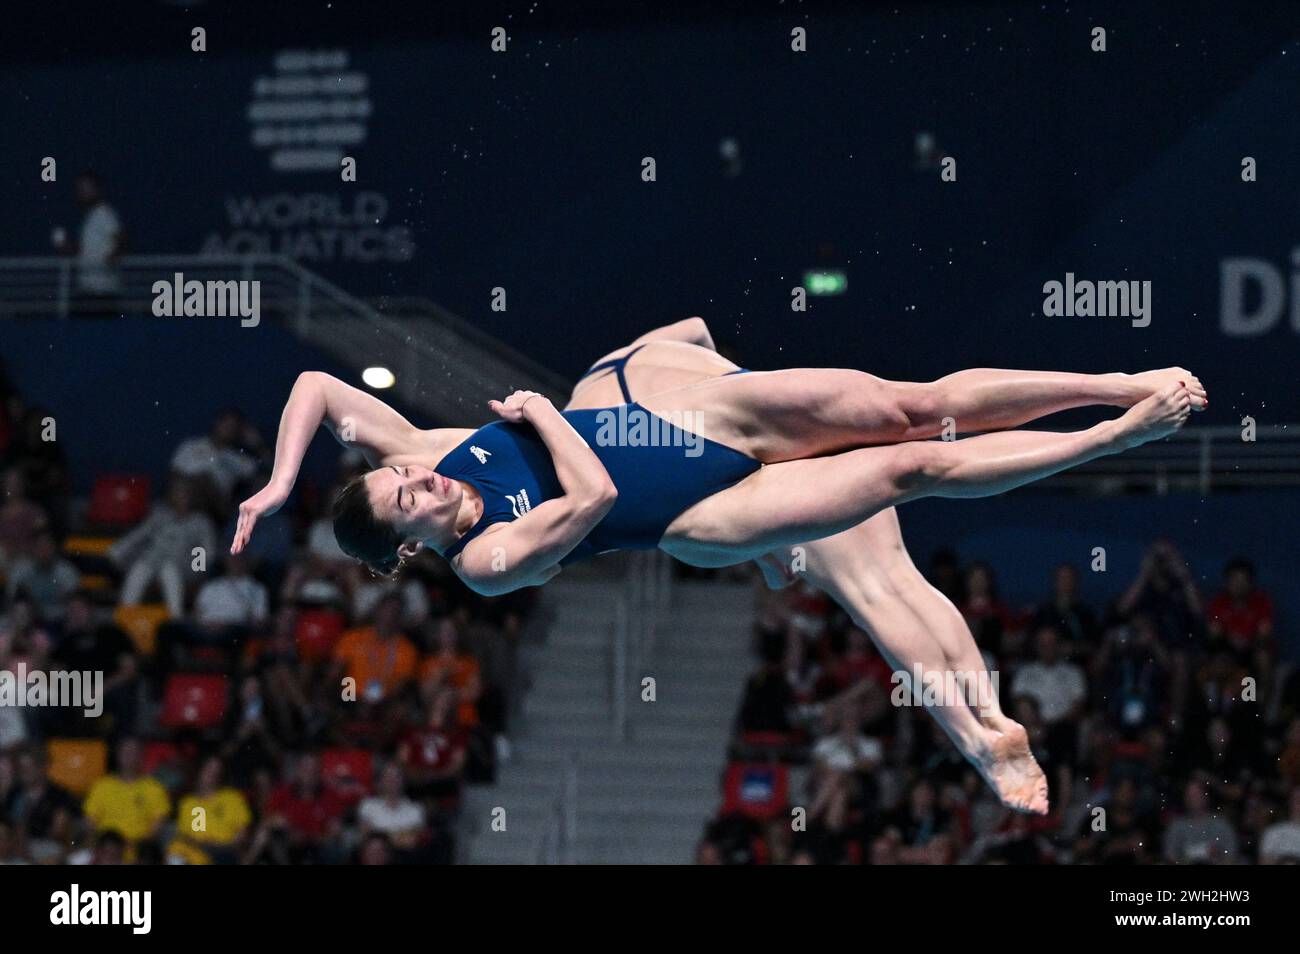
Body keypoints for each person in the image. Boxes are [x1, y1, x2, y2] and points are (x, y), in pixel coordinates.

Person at [232, 320, 1205, 813]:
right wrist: (535, 418)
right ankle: (1111, 441)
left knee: (907, 410)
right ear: (412, 545)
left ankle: (1115, 382)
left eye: (405, 473)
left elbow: (317, 384)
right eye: (410, 498)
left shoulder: (430, 450)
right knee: (913, 474)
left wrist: (277, 485)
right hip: (696, 506)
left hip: (683, 416)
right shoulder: (484, 560)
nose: (423, 481)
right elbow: (596, 501)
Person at [52, 171, 126, 316]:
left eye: (86, 188)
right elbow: (86, 250)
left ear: (97, 190)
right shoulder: (91, 217)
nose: (81, 192)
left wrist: (111, 259)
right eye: (80, 189)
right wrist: (67, 247)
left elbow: (122, 238)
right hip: (87, 288)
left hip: (103, 290)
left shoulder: (104, 213)